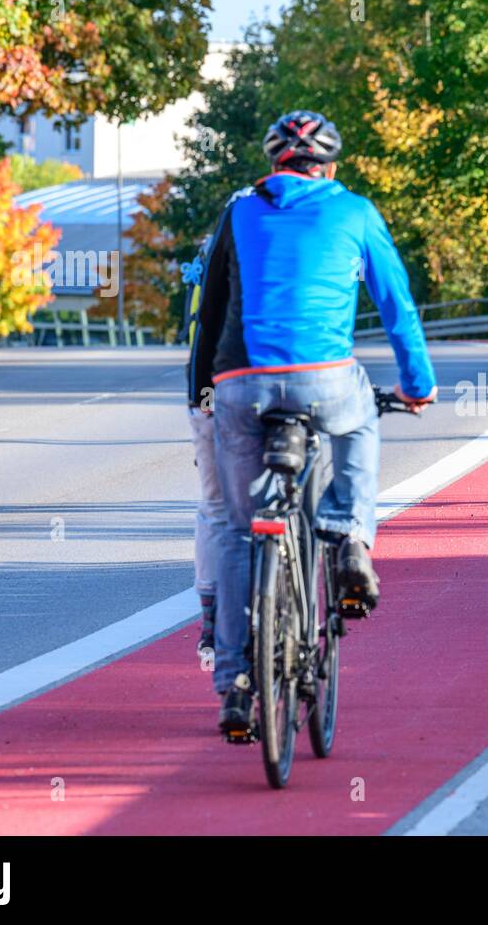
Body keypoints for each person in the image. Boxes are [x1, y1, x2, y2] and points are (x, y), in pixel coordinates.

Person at [187, 109, 438, 733]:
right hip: (324, 376)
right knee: (358, 423)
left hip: (239, 385)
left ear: (274, 165)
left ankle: (236, 685)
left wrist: (201, 390)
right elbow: (396, 304)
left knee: (244, 535)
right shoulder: (356, 212)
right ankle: (350, 534)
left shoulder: (240, 211)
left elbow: (211, 306)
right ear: (330, 167)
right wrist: (418, 386)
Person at [180, 240, 224, 659]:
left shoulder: (214, 265)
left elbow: (200, 350)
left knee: (213, 506)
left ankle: (209, 616)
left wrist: (203, 410)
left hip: (214, 393)